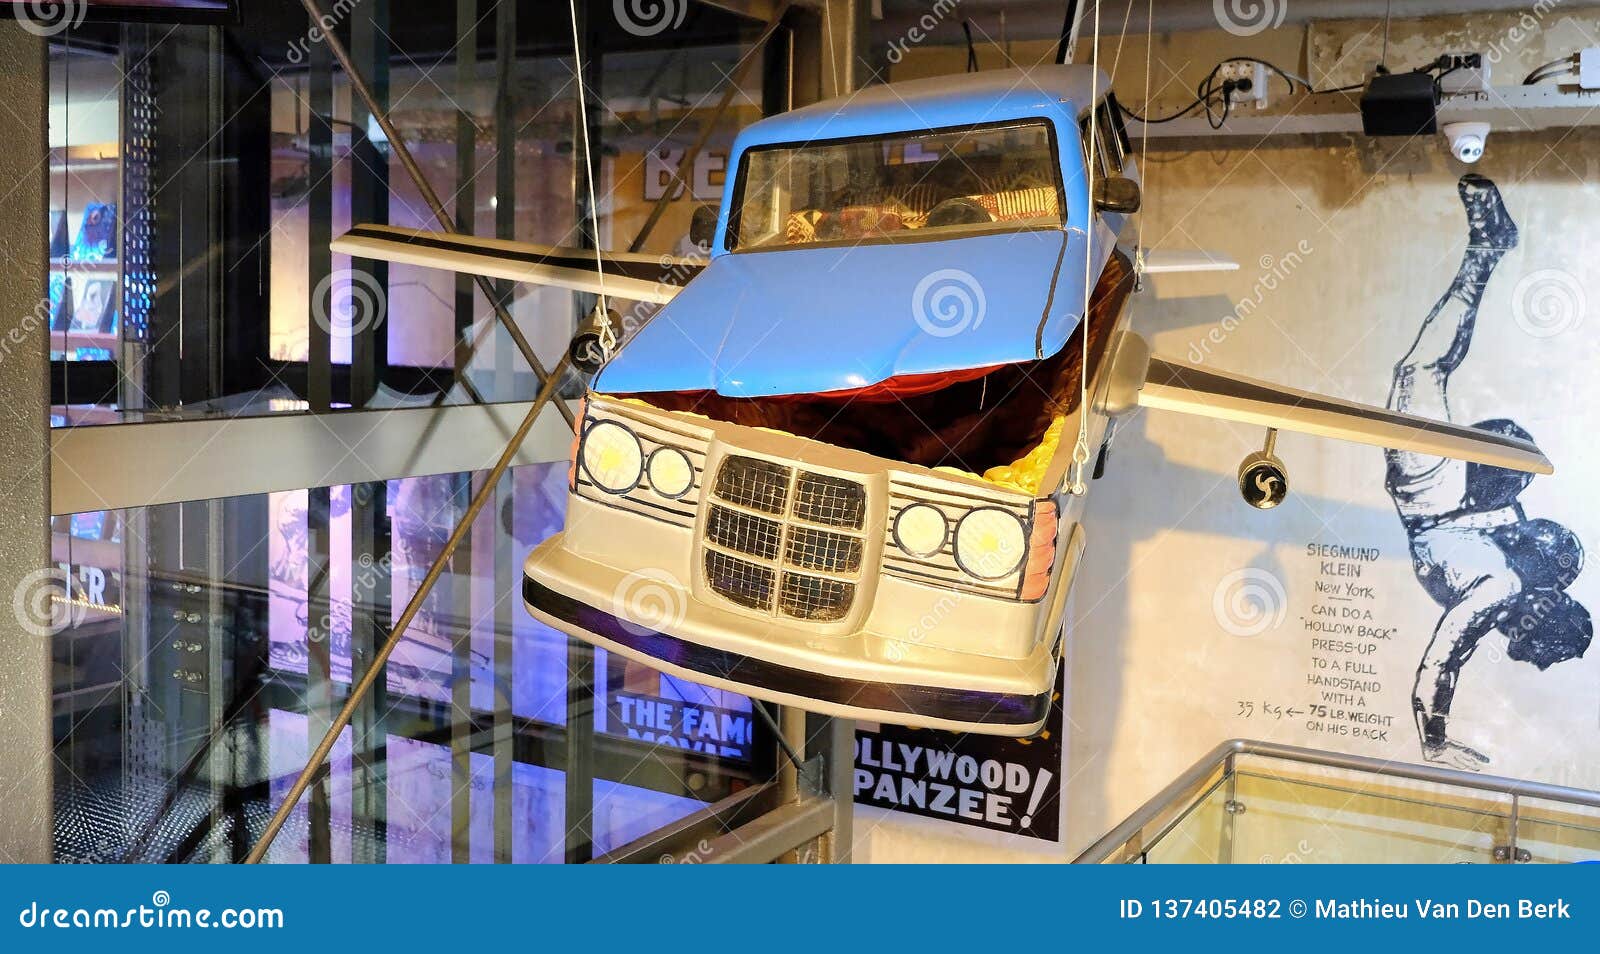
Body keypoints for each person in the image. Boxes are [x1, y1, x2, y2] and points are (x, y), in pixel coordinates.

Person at [1385, 174, 1590, 770]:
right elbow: (1442, 661)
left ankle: (1490, 247)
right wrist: (1434, 742)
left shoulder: (1504, 592)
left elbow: (1443, 660)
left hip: (1437, 496)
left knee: (1423, 368)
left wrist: (1434, 741)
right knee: (1421, 369)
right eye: (1534, 647)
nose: (1523, 651)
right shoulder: (1505, 588)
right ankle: (1488, 247)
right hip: (1437, 494)